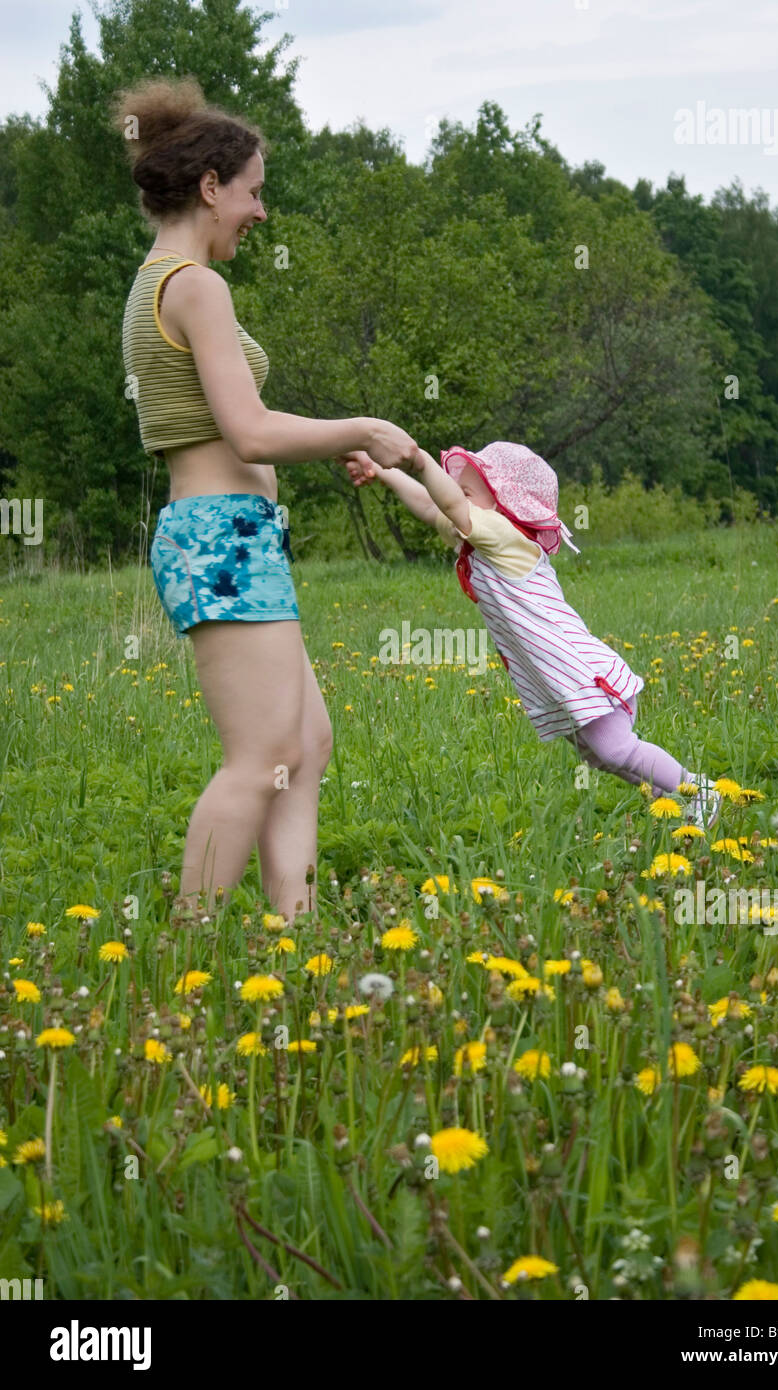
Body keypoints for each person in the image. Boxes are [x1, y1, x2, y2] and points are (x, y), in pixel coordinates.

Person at [113, 75, 416, 921]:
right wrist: (362, 427)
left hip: (231, 534)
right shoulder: (195, 285)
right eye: (253, 193)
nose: (261, 211)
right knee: (261, 755)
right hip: (221, 535)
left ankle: (296, 927)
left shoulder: (161, 280)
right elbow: (246, 431)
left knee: (304, 744)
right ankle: (192, 940)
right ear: (210, 187)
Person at [345, 441, 721, 826]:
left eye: (466, 491)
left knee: (613, 750)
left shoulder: (506, 538)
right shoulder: (480, 538)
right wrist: (382, 471)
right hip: (556, 676)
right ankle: (667, 796)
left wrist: (420, 461)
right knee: (597, 755)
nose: (455, 498)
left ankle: (697, 790)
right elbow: (430, 506)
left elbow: (448, 505)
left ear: (504, 504)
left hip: (579, 671)